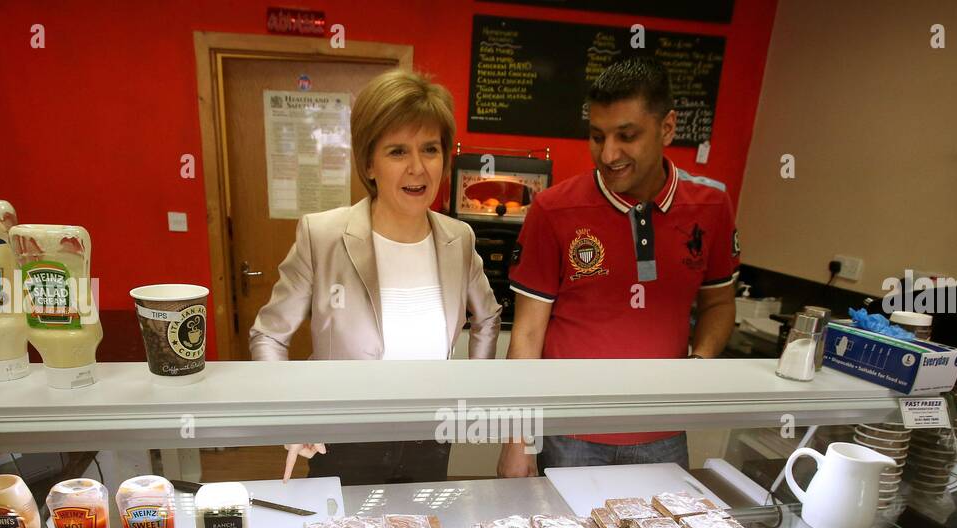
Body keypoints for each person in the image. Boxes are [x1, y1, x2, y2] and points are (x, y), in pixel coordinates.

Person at [249, 69, 501, 485]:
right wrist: (291, 415)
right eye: (398, 151)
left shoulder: (459, 237)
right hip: (344, 437)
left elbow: (488, 318)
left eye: (431, 149)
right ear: (369, 162)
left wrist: (468, 395)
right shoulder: (323, 235)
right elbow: (268, 335)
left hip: (429, 435)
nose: (418, 168)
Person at [497, 56, 739, 478]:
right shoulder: (554, 209)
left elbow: (719, 303)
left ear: (667, 127)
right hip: (568, 433)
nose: (608, 154)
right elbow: (529, 333)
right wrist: (518, 441)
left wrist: (697, 365)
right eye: (596, 137)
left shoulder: (712, 207)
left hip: (662, 432)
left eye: (626, 136)